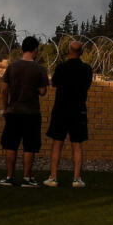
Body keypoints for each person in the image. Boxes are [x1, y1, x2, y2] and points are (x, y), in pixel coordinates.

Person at [0, 36, 49, 187]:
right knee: (30, 146)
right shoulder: (40, 69)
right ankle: (27, 178)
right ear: (35, 50)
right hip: (32, 113)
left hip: (13, 112)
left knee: (10, 145)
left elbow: (4, 90)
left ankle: (9, 177)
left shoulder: (12, 67)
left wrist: (5, 108)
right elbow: (42, 92)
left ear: (22, 49)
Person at [46, 40, 92, 188]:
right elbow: (87, 85)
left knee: (57, 144)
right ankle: (77, 179)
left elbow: (54, 83)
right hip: (78, 110)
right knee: (77, 145)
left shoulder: (61, 67)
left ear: (68, 51)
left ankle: (53, 178)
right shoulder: (87, 69)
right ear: (82, 53)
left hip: (61, 109)